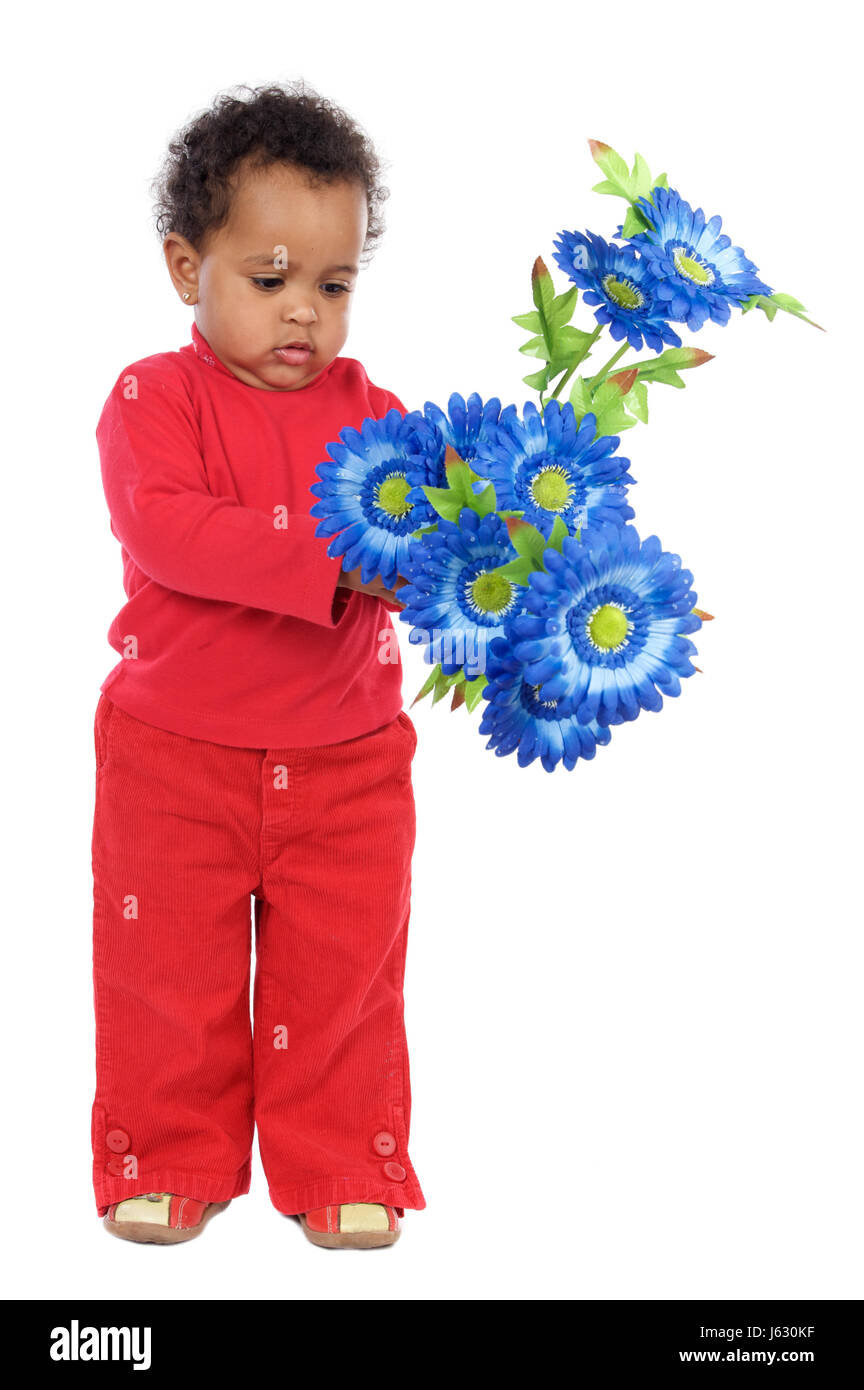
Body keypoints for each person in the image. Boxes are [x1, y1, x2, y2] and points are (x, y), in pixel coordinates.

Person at [91, 81, 425, 1250]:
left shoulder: (376, 416)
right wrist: (344, 562)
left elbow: (431, 534)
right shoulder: (152, 399)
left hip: (347, 763)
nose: (306, 316)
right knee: (164, 973)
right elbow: (172, 531)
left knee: (342, 978)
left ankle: (343, 1158)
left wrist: (481, 550)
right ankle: (167, 1153)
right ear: (189, 269)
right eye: (271, 279)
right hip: (173, 757)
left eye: (333, 286)